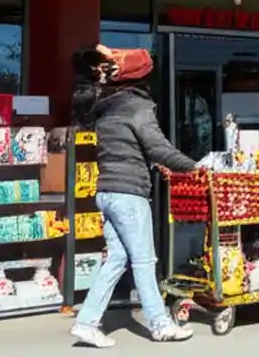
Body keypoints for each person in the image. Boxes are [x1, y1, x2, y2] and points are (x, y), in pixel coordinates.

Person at [70, 46, 199, 348]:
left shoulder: (108, 108)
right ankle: (160, 324)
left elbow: (127, 148)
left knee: (116, 259)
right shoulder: (139, 107)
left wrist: (157, 164)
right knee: (144, 260)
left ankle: (86, 322)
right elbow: (157, 148)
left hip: (107, 192)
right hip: (130, 195)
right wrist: (195, 167)